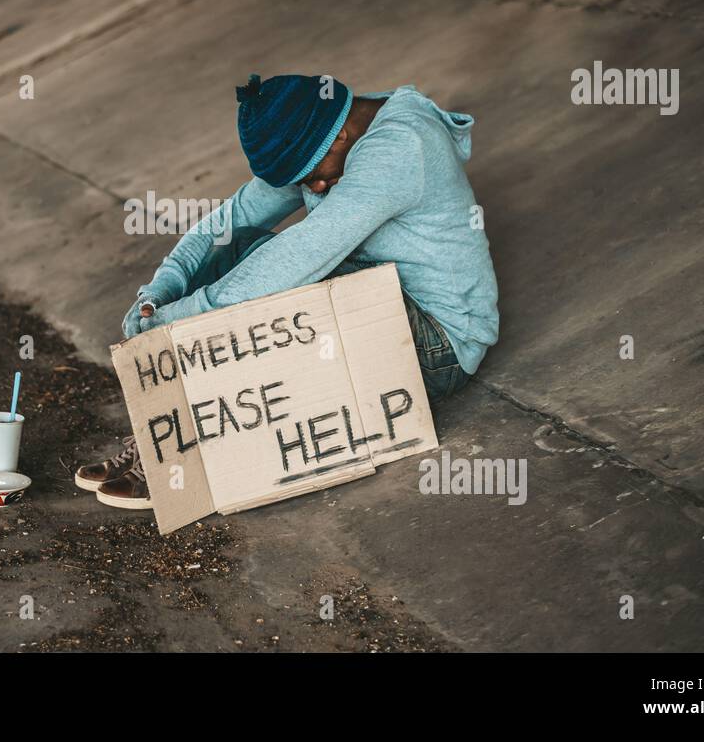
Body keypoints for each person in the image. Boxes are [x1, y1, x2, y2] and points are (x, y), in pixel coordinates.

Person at [76, 73, 500, 509]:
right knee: (236, 248)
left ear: (340, 137)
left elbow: (302, 253)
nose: (313, 188)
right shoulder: (317, 131)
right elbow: (231, 219)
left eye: (314, 176)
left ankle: (193, 448)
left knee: (278, 284)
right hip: (375, 297)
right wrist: (160, 293)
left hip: (439, 342)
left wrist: (180, 319)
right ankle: (166, 432)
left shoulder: (401, 147)